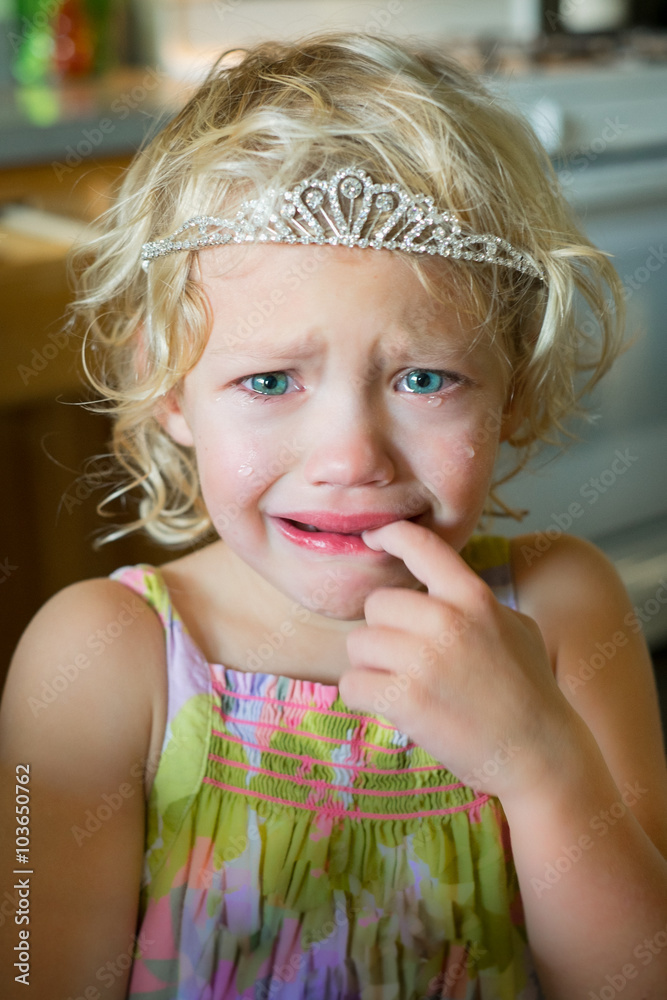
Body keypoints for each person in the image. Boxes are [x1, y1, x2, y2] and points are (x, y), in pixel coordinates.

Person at [1, 32, 666, 1000]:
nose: (351, 458)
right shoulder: (101, 658)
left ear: (514, 387)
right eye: (271, 380)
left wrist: (538, 763)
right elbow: (31, 964)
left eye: (424, 379)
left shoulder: (561, 613)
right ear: (169, 387)